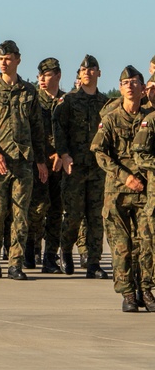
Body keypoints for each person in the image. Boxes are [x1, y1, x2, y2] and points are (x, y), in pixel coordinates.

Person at [0, 40, 47, 280]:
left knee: (20, 215)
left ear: (18, 59)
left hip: (23, 162)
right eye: (0, 59)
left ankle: (15, 264)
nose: (3, 63)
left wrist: (40, 160)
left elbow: (37, 128)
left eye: (7, 59)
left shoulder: (29, 92)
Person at [91, 67, 152, 311]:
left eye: (134, 82)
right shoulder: (111, 118)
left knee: (145, 244)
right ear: (120, 88)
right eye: (125, 82)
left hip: (145, 192)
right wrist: (125, 177)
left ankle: (145, 290)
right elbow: (99, 152)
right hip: (117, 192)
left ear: (142, 88)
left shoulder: (149, 118)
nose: (129, 86)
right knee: (122, 246)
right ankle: (127, 293)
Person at [52, 55, 109, 277]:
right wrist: (64, 154)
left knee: (95, 217)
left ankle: (93, 263)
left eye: (91, 69)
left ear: (98, 73)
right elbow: (58, 128)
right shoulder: (69, 101)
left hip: (97, 167)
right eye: (83, 69)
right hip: (74, 167)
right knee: (73, 215)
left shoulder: (105, 103)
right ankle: (66, 251)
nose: (87, 72)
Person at [28, 58, 65, 273]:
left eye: (47, 74)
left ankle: (50, 257)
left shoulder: (67, 101)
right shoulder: (33, 101)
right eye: (40, 75)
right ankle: (30, 246)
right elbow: (30, 133)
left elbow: (73, 132)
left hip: (60, 165)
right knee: (37, 209)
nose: (42, 79)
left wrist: (61, 153)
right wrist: (41, 159)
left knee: (56, 211)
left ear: (58, 75)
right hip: (38, 164)